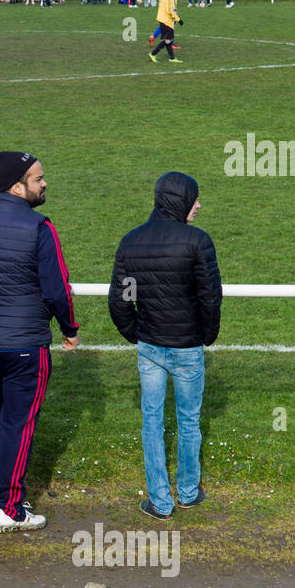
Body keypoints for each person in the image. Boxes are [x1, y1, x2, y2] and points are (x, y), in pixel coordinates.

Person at [0, 152, 80, 533]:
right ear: (17, 185)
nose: (45, 183)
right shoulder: (40, 227)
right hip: (25, 345)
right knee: (17, 423)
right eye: (39, 178)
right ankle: (10, 507)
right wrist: (68, 327)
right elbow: (57, 289)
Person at [108, 171, 221, 521]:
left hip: (150, 348)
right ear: (180, 200)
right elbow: (210, 298)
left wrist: (136, 333)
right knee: (188, 421)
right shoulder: (198, 242)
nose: (199, 205)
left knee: (152, 422)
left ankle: (160, 502)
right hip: (187, 347)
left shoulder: (131, 242)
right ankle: (188, 493)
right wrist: (206, 335)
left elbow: (122, 299)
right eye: (194, 198)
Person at [150, 0, 184, 64]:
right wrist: (178, 19)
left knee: (168, 40)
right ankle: (153, 54)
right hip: (166, 22)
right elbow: (169, 11)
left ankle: (172, 58)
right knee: (167, 41)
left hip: (163, 20)